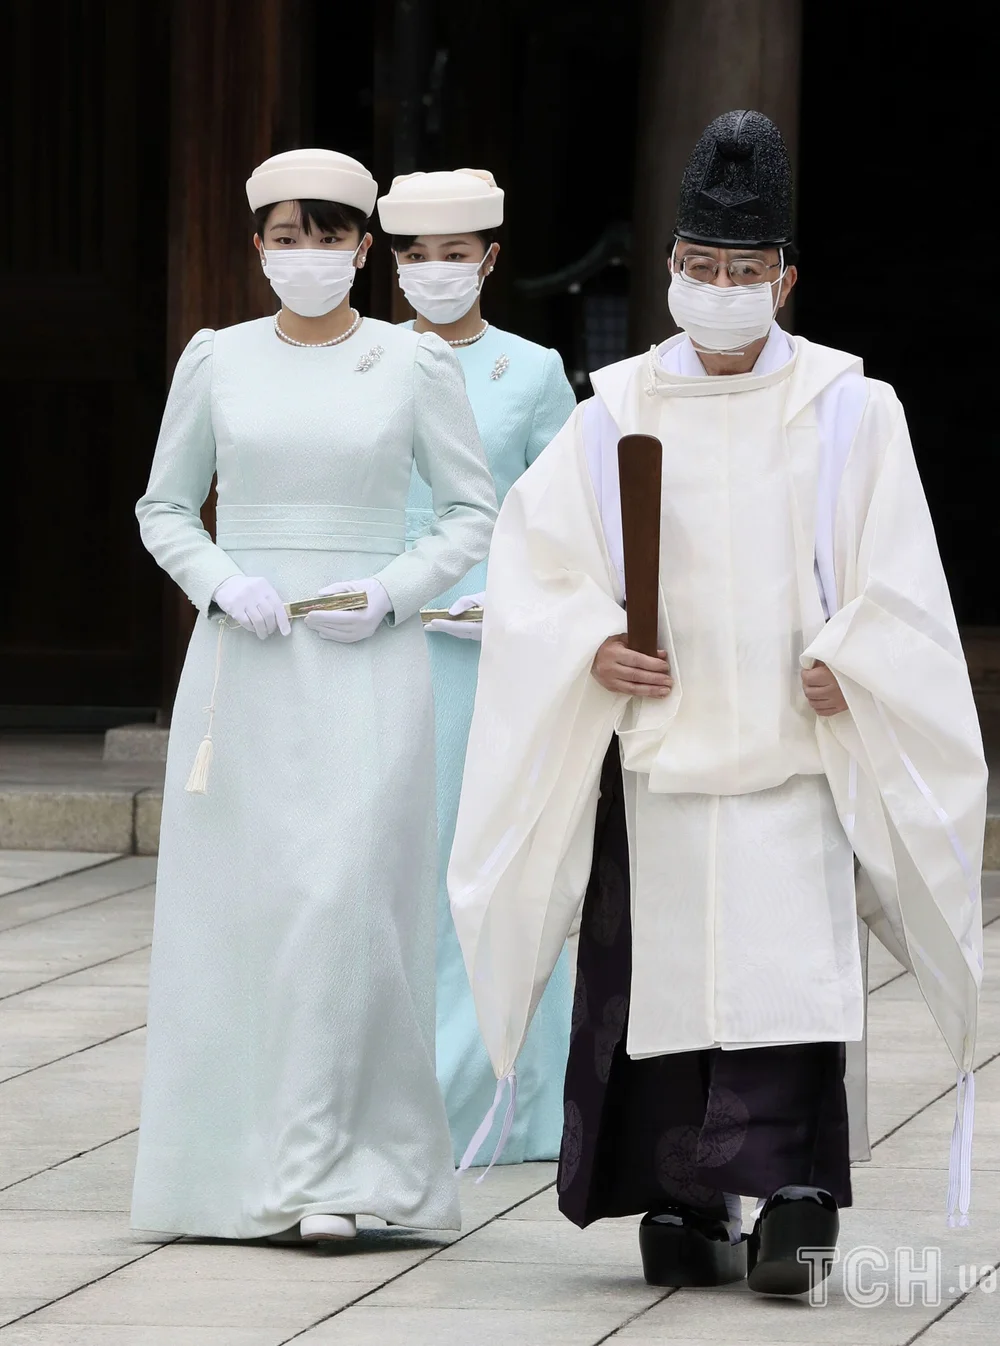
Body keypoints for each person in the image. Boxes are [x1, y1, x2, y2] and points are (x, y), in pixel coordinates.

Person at [448, 112, 987, 1295]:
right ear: (673, 270)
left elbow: (901, 576)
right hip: (665, 752)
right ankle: (682, 1202)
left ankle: (793, 1201)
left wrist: (857, 657)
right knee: (666, 972)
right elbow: (537, 564)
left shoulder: (854, 408)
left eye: (747, 273)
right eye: (702, 268)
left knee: (788, 968)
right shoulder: (616, 408)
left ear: (786, 278)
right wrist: (593, 642)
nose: (724, 290)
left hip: (796, 744)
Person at [131, 148, 497, 1243]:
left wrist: (389, 591)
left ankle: (343, 1170)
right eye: (287, 237)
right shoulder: (217, 361)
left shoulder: (410, 365)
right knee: (247, 915)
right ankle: (231, 1173)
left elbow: (468, 514)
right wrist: (218, 579)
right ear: (257, 247)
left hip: (366, 665)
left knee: (346, 907)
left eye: (329, 237)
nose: (308, 256)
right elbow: (163, 507)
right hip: (245, 667)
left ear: (363, 250)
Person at [375, 168, 577, 1166]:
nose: (435, 272)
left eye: (455, 255)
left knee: (482, 865)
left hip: (486, 653)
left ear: (490, 260)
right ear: (392, 266)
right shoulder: (361, 361)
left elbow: (564, 518)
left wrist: (515, 598)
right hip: (374, 644)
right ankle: (382, 1093)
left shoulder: (532, 371)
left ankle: (503, 1098)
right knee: (381, 865)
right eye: (416, 256)